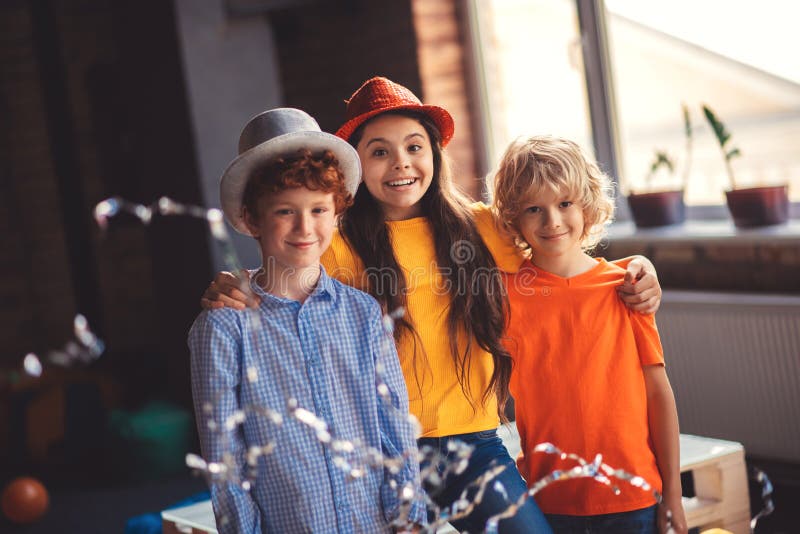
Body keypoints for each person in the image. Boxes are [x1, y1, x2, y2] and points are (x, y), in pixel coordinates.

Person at [202, 77, 663, 533]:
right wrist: (234, 284)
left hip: (473, 446)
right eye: (380, 151)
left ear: (435, 154)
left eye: (414, 146)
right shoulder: (337, 243)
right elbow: (284, 264)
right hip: (381, 449)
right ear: (355, 167)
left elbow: (561, 258)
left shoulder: (481, 227)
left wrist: (635, 266)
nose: (400, 163)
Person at [188, 107, 426, 533]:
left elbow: (395, 427)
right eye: (285, 212)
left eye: (318, 209)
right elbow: (225, 458)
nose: (305, 227)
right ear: (250, 219)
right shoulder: (223, 327)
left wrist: (409, 517)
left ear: (337, 214)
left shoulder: (364, 314)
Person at [493, 135, 687, 534]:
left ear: (587, 204)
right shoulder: (503, 293)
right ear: (512, 218)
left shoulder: (627, 285)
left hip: (634, 498)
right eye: (534, 208)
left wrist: (673, 494)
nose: (552, 221)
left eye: (565, 203)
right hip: (549, 500)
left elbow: (658, 393)